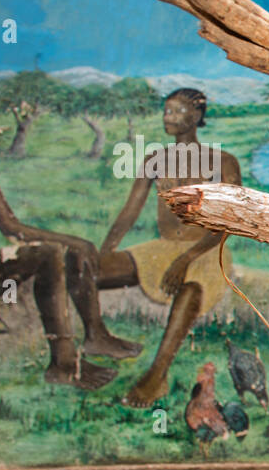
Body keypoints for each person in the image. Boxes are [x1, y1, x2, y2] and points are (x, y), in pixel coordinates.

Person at [0, 88, 140, 388]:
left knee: (64, 251)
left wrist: (74, 241)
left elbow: (12, 226)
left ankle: (96, 335)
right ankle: (64, 364)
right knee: (46, 255)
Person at [96, 88, 242, 407]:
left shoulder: (222, 161)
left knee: (190, 291)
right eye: (166, 111)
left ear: (197, 117)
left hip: (205, 250)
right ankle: (94, 340)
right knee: (89, 271)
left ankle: (156, 376)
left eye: (176, 111)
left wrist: (186, 258)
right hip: (162, 249)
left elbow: (229, 224)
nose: (168, 117)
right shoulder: (156, 160)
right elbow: (129, 211)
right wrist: (105, 251)